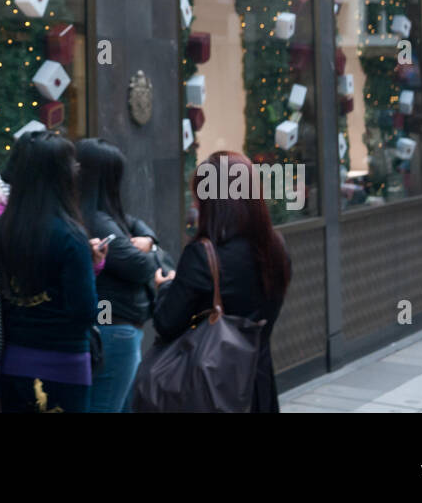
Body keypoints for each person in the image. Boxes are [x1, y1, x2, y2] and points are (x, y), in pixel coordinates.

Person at [151, 150, 291, 412]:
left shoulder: (202, 256)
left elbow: (166, 323)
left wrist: (166, 286)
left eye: (198, 197)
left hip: (213, 390)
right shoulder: (276, 248)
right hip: (258, 387)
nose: (194, 205)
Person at [0, 131, 104, 413]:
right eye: (72, 165)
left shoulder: (2, 230)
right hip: (65, 367)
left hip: (14, 364)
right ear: (61, 175)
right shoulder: (70, 236)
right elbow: (84, 310)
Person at [76, 138, 160, 413]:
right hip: (113, 327)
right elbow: (140, 267)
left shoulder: (96, 214)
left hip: (113, 324)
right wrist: (153, 252)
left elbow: (136, 223)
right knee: (107, 406)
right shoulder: (97, 220)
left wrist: (149, 239)